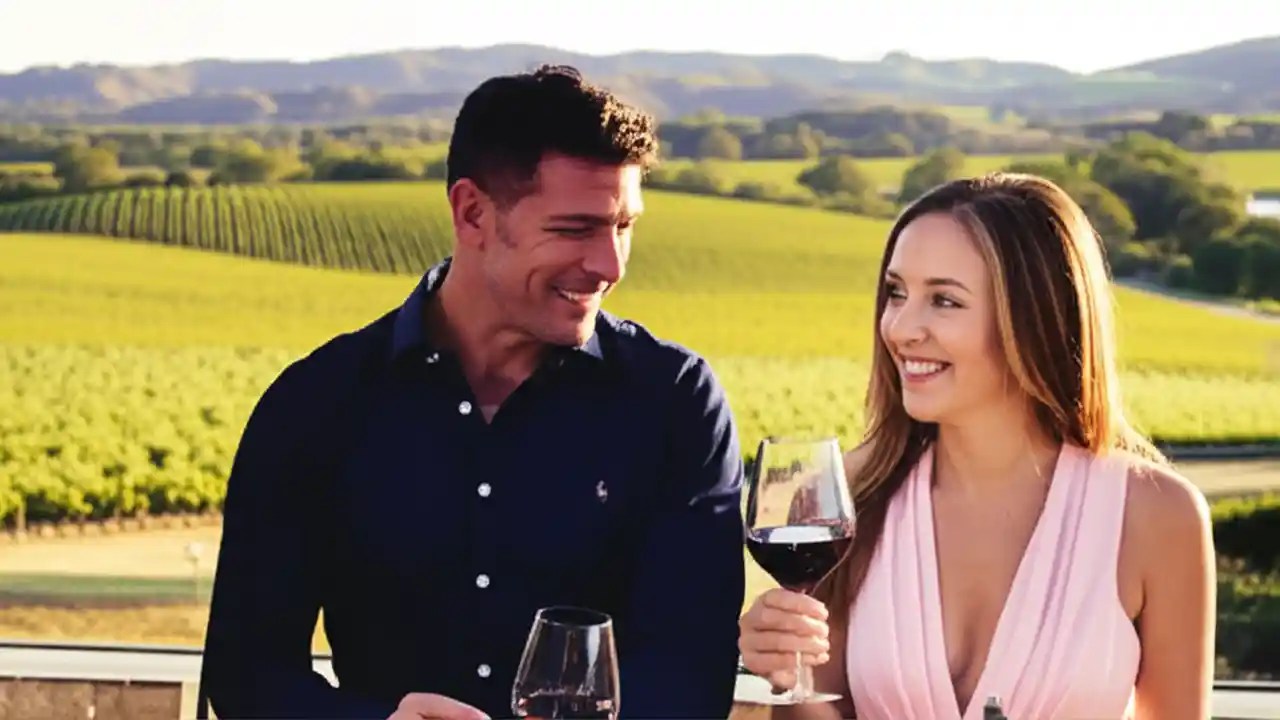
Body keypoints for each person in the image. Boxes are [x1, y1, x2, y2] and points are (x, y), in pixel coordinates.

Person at [201, 64, 747, 720]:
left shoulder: (675, 402)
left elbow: (690, 671)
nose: (609, 265)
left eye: (624, 226)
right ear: (472, 213)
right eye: (576, 229)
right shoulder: (316, 404)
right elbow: (247, 674)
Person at [738, 173, 1217, 720]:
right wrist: (781, 673)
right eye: (896, 293)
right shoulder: (848, 499)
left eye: (944, 300)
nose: (900, 327)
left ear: (1035, 318)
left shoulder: (1159, 514)